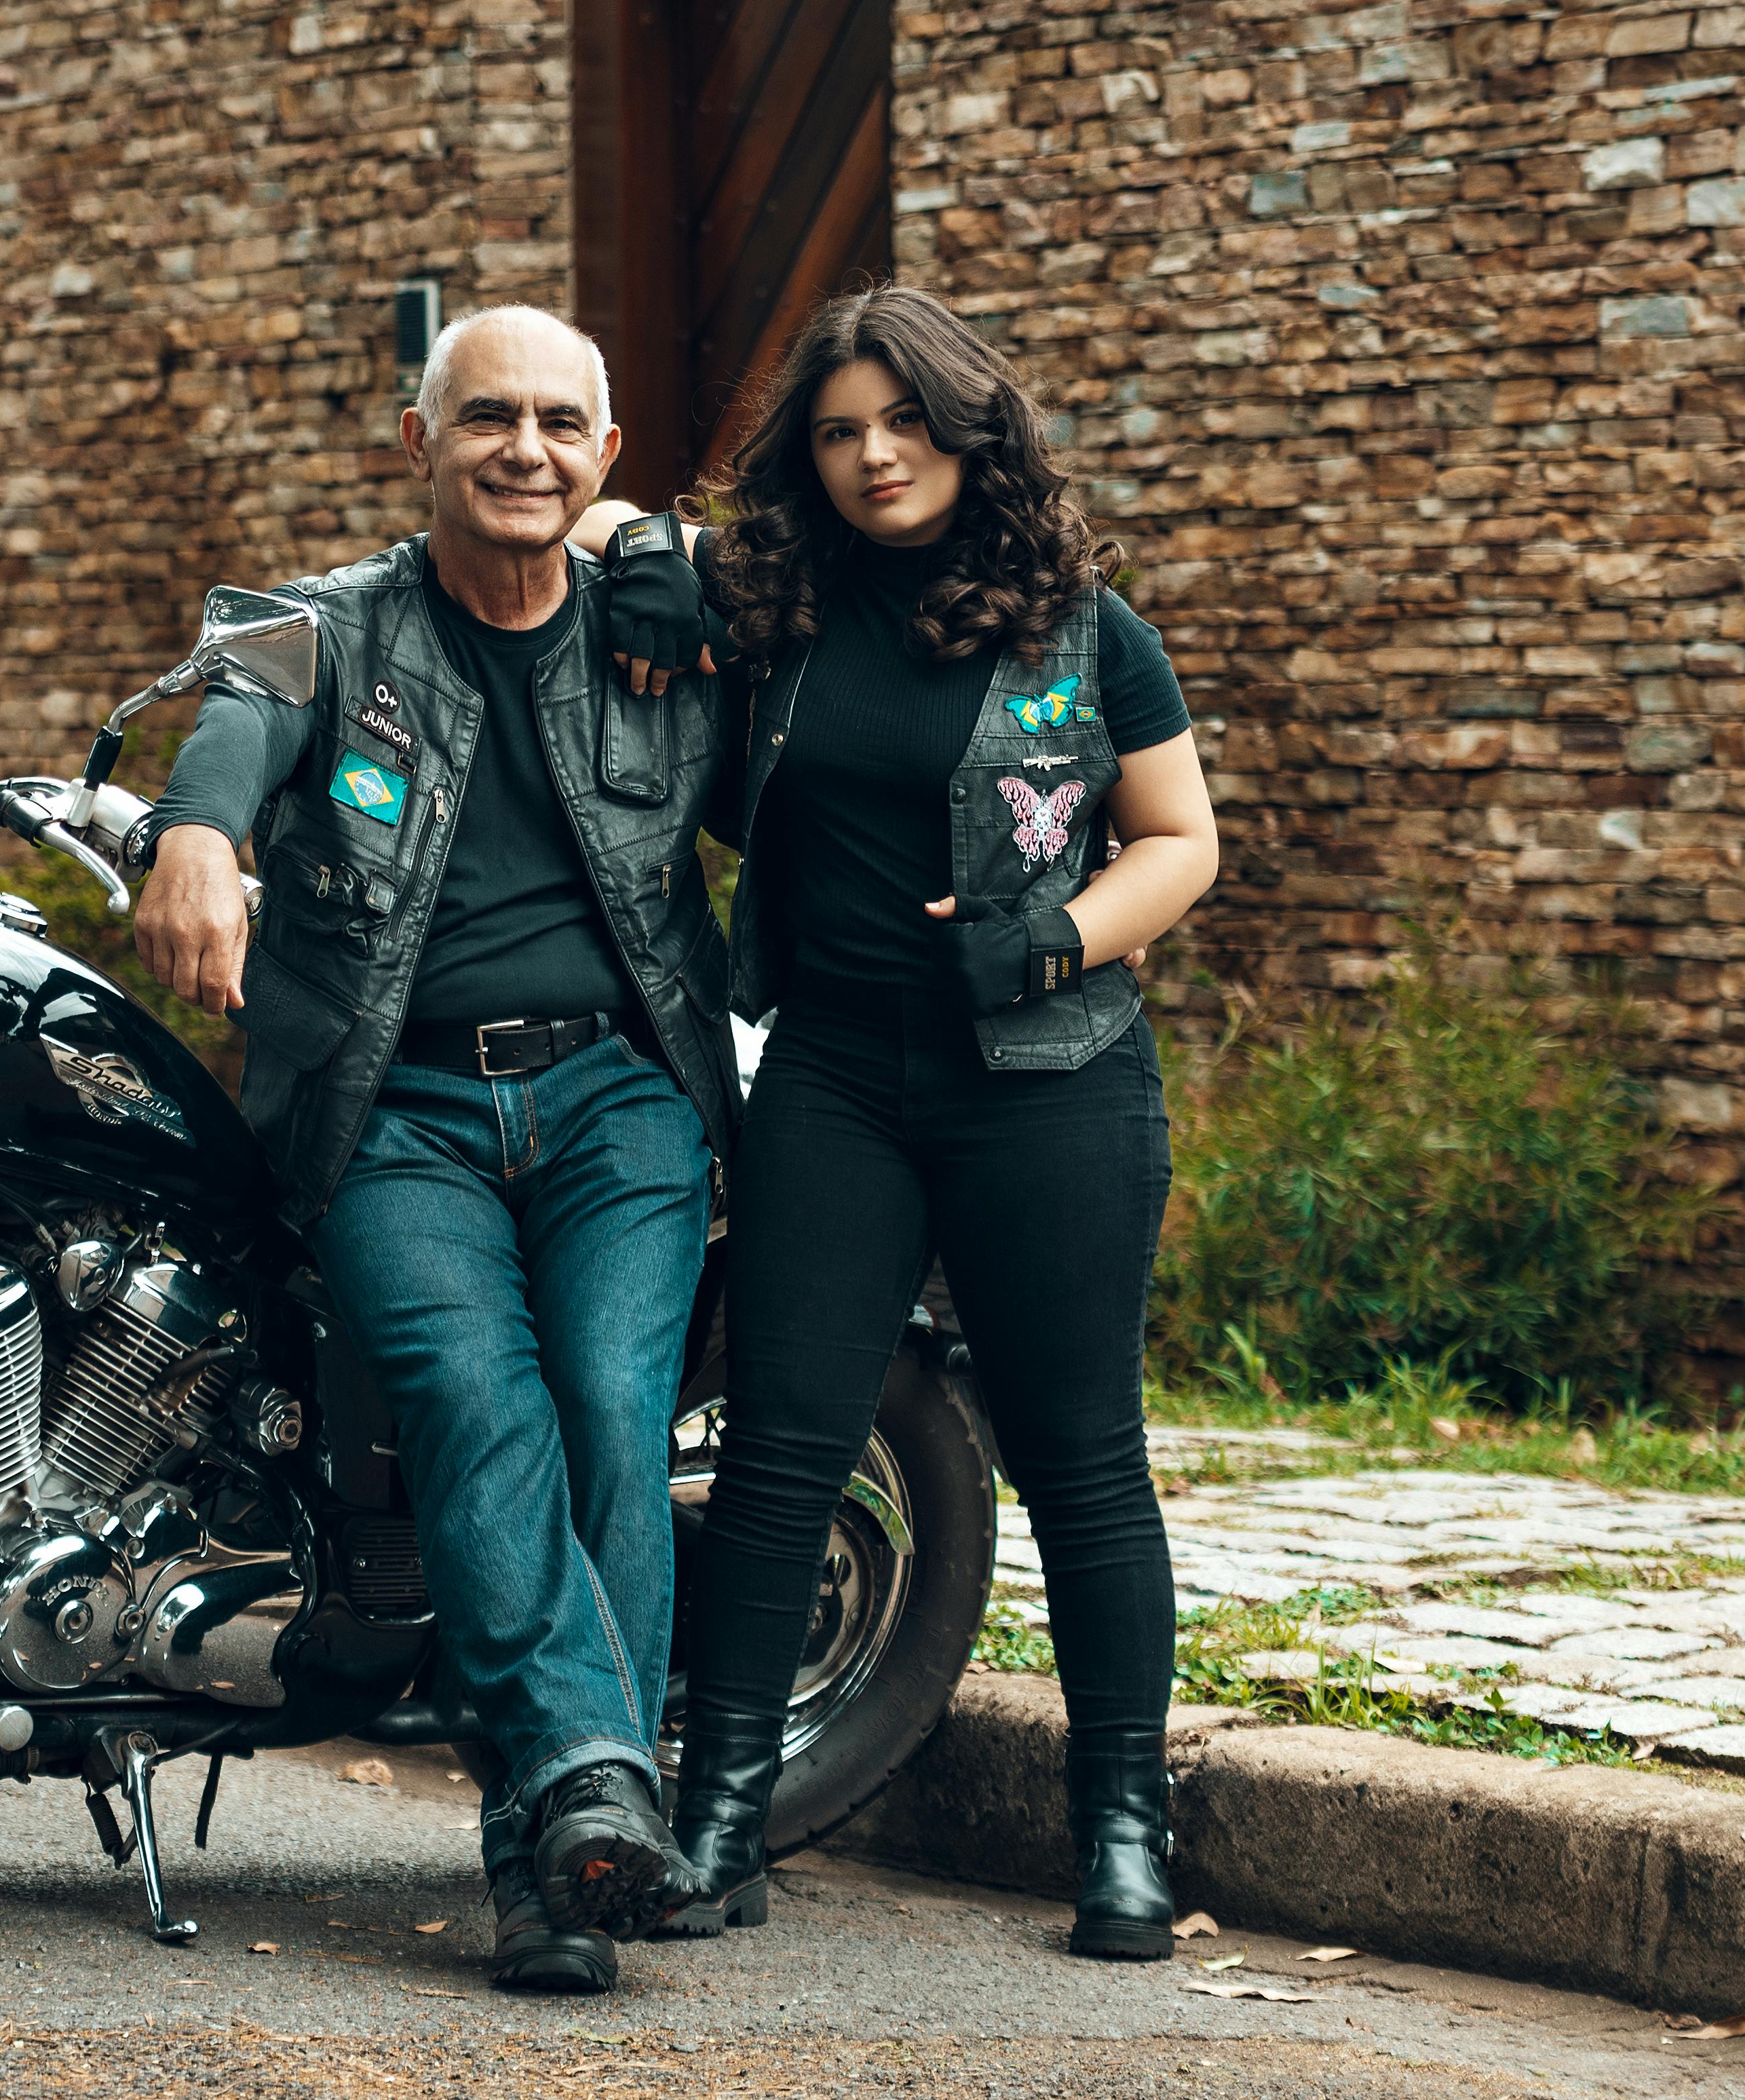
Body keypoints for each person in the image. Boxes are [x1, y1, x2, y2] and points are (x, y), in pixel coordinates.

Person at [133, 305, 731, 1993]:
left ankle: (551, 1852)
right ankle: (584, 1823)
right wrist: (193, 831)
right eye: (487, 419)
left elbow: (852, 658)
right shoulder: (327, 628)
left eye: (561, 425)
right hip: (393, 1111)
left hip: (621, 1097)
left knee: (610, 1410)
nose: (523, 452)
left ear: (605, 455)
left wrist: (678, 553)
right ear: (418, 442)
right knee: (481, 1401)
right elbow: (235, 711)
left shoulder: (663, 624)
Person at [655, 284, 1216, 1961]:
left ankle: (1120, 1839)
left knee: (1079, 1462)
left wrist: (1048, 934)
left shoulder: (1078, 625)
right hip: (831, 1078)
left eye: (903, 421)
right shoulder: (769, 620)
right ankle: (720, 1820)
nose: (872, 455)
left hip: (1047, 1082)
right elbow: (626, 529)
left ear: (970, 430)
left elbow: (1176, 838)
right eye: (837, 432)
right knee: (777, 1452)